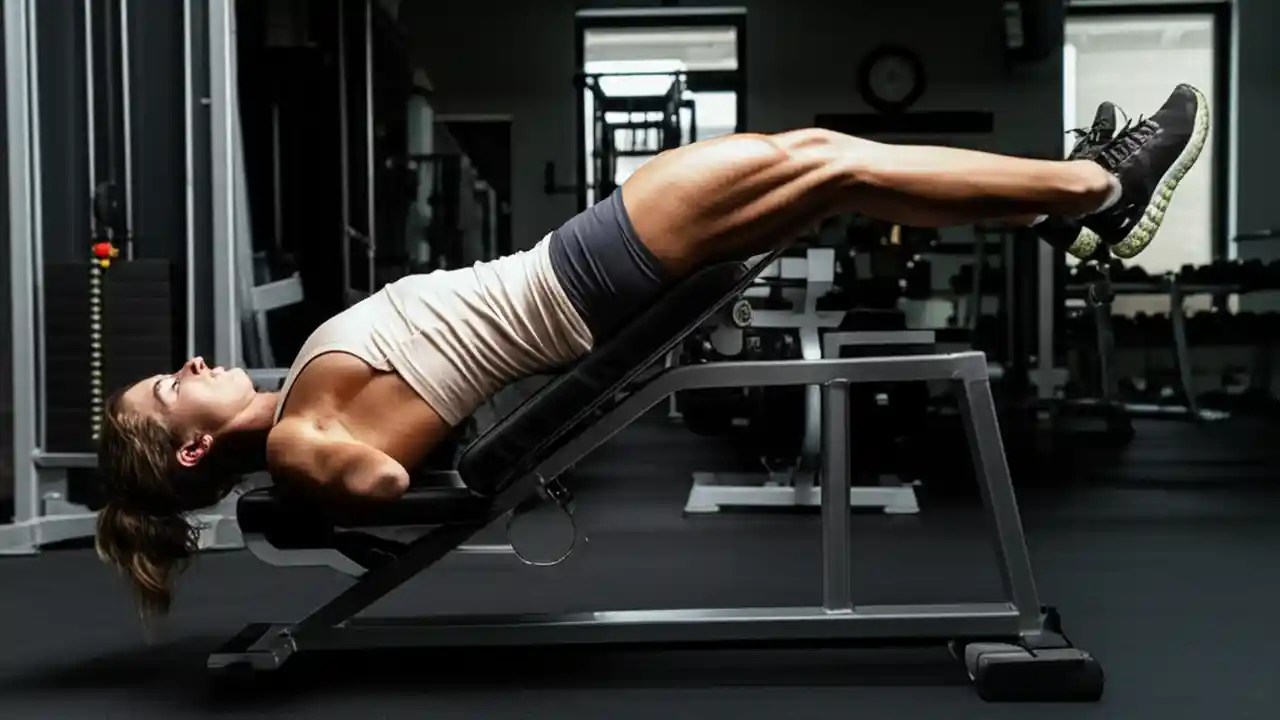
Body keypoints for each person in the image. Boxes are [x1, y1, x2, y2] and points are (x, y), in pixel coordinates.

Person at [95, 84, 1209, 618]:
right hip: (581, 280)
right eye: (173, 386)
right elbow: (383, 478)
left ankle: (1066, 200)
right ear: (192, 455)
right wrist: (317, 470)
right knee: (825, 164)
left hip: (574, 267)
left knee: (831, 166)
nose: (192, 363)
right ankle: (1095, 186)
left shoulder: (295, 405)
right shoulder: (298, 443)